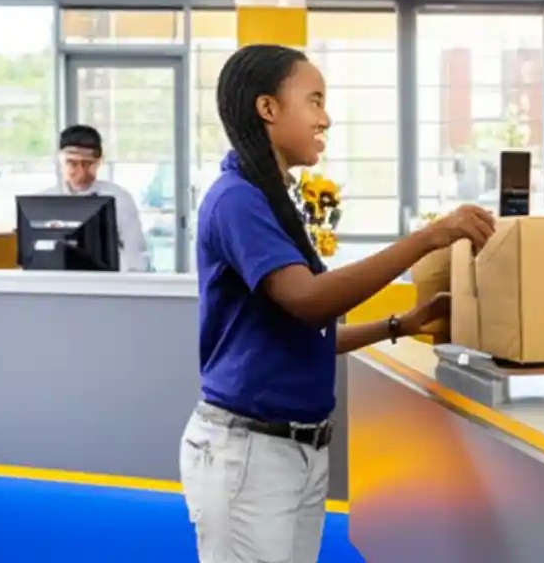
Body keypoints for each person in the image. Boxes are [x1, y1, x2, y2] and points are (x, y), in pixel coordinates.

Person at [179, 44, 495, 563]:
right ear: (268, 108)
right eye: (315, 101)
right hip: (251, 454)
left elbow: (305, 334)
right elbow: (308, 303)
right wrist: (429, 237)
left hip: (296, 450)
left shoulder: (271, 198)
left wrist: (400, 324)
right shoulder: (237, 199)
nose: (325, 118)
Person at [43, 124, 150, 272]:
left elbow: (135, 253)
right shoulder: (44, 201)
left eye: (87, 164)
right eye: (72, 163)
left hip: (107, 281)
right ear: (60, 161)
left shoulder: (119, 198)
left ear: (99, 161)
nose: (81, 172)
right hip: (57, 280)